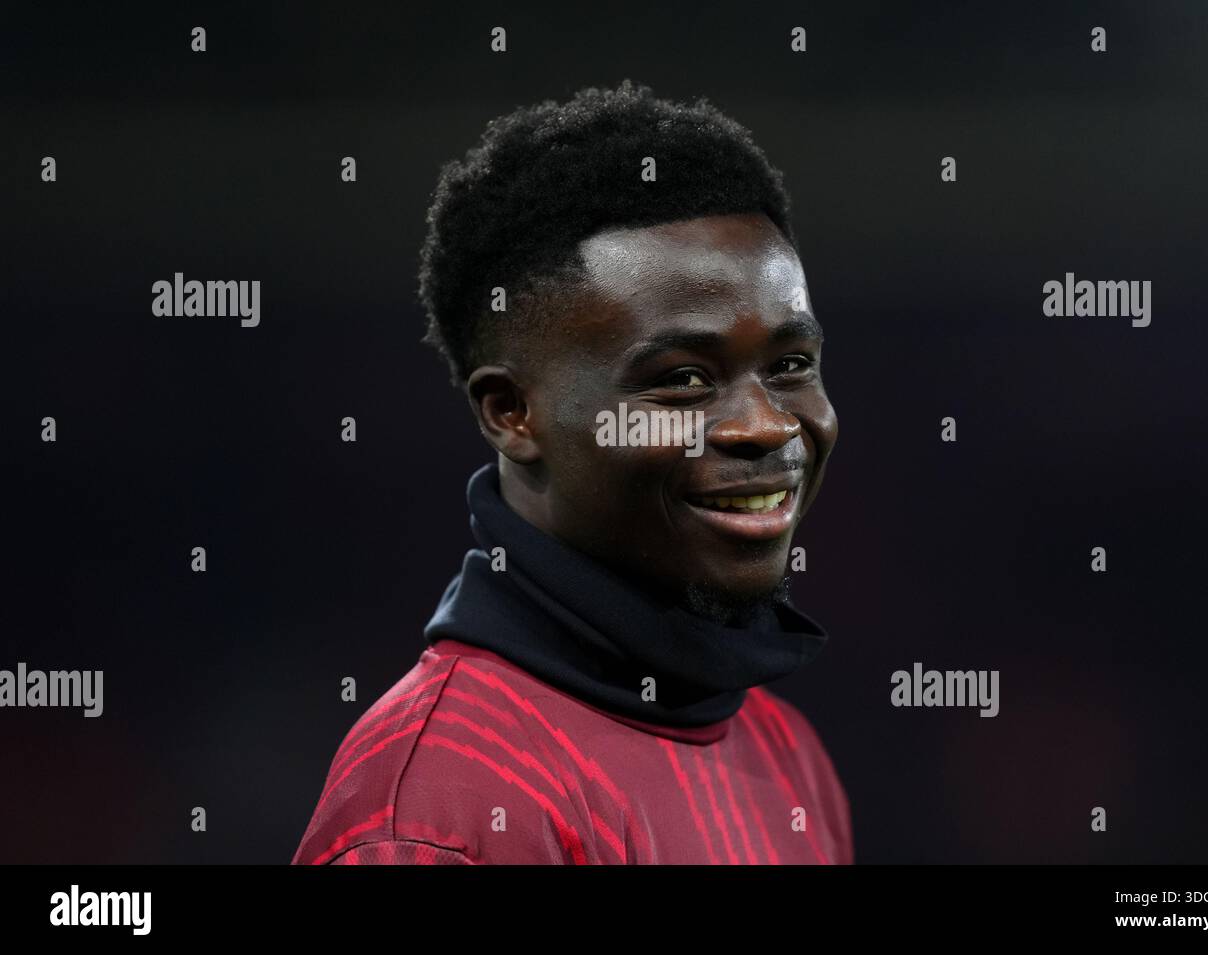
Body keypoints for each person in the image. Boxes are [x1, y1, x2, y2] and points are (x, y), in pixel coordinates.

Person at [292, 79, 850, 864]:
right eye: (684, 380)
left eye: (791, 364)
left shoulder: (786, 754)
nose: (766, 424)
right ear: (511, 413)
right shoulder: (439, 813)